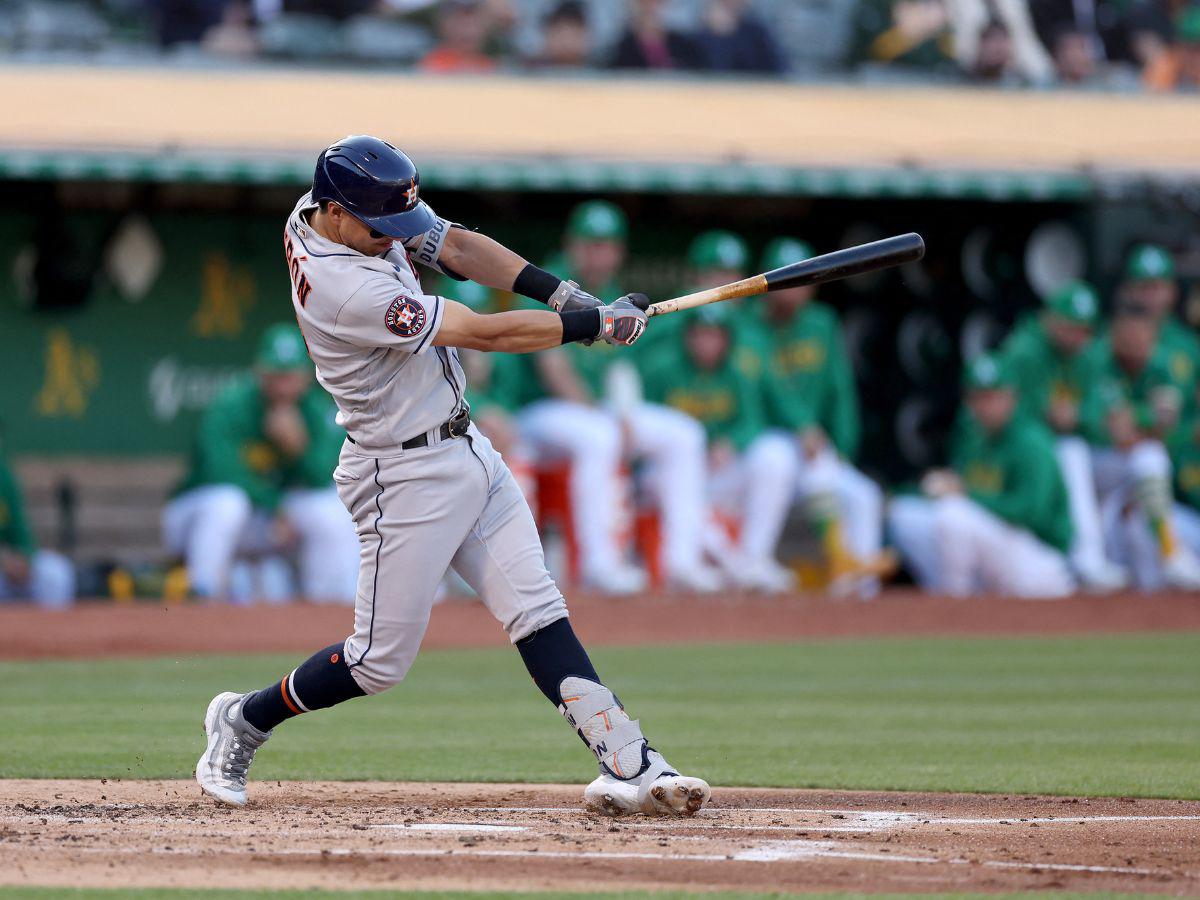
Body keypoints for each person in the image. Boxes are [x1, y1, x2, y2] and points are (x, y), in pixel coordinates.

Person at [196, 135, 710, 819]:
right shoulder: (345, 290)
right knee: (376, 663)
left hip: (466, 445)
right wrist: (590, 324)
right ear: (337, 214)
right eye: (380, 229)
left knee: (538, 611)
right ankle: (244, 719)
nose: (394, 239)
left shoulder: (330, 210)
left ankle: (632, 762)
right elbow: (482, 332)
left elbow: (458, 246)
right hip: (401, 473)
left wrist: (565, 294)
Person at [515, 201, 720, 594]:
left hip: (595, 411)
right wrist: (606, 416)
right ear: (572, 245)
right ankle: (599, 564)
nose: (599, 254)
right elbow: (553, 370)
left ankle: (682, 561)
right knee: (600, 436)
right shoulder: (547, 284)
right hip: (538, 414)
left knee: (684, 435)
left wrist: (623, 412)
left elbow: (620, 369)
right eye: (591, 244)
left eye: (607, 245)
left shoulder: (609, 292)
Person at [163, 324, 359, 604]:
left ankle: (327, 603)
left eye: (290, 375)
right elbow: (220, 471)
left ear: (306, 376)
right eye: (276, 374)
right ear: (259, 372)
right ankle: (204, 595)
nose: (282, 386)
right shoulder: (231, 405)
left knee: (329, 509)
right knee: (227, 504)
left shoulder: (315, 410)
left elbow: (325, 477)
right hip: (196, 519)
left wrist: (298, 449)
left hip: (268, 521)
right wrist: (275, 505)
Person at [744, 238, 893, 597]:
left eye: (801, 281)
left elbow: (840, 391)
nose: (792, 290)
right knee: (778, 459)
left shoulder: (822, 323)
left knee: (864, 496)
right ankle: (754, 561)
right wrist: (802, 427)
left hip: (812, 449)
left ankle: (857, 588)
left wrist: (841, 449)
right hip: (765, 441)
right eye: (785, 281)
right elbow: (771, 385)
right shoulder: (749, 324)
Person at [888, 354, 1076, 598]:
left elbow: (1030, 513)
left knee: (953, 514)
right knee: (903, 514)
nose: (985, 406)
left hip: (1040, 557)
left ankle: (956, 598)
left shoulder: (1031, 442)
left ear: (1011, 397)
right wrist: (907, 493)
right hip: (997, 548)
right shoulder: (973, 438)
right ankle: (947, 590)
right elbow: (960, 491)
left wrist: (966, 494)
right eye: (978, 398)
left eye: (993, 397)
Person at [643, 305, 799, 592]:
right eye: (700, 334)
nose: (707, 343)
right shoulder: (661, 369)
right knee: (681, 494)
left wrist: (731, 443)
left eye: (715, 335)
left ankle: (754, 557)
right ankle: (733, 567)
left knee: (776, 454)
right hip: (663, 476)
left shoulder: (738, 371)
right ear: (687, 336)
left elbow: (752, 422)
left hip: (716, 473)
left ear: (727, 339)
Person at [996, 280, 1127, 590]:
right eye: (1071, 327)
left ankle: (1167, 558)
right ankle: (1087, 560)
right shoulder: (1024, 351)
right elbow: (1009, 418)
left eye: (1084, 329)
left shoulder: (1093, 352)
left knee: (1148, 458)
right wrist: (1051, 418)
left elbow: (1106, 414)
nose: (1078, 336)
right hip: (1042, 458)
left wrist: (1080, 417)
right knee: (1071, 450)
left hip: (1092, 454)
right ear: (1050, 320)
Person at [1082, 300, 1200, 589]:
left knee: (1147, 470)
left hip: (1136, 477)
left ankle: (1166, 564)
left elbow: (1164, 421)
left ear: (1153, 335)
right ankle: (1090, 559)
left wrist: (1135, 418)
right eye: (1128, 334)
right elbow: (1112, 428)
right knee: (1148, 455)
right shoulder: (1097, 360)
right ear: (1114, 334)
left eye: (1141, 334)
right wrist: (1144, 419)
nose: (1134, 342)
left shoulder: (1163, 366)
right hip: (1096, 463)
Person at [0, 435, 74, 608]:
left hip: (7, 566)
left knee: (57, 572)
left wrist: (24, 558)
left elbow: (22, 535)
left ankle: (49, 625)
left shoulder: (5, 478)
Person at [692, 0, 788, 74]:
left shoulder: (756, 31)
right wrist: (718, 36)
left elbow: (776, 68)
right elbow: (713, 70)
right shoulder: (701, 33)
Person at [609, 0, 704, 70]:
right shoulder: (623, 47)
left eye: (657, 2)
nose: (651, 7)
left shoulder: (683, 44)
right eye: (644, 3)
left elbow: (699, 71)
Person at [420, 0, 499, 73]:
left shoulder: (492, 67)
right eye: (460, 22)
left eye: (474, 23)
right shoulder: (429, 68)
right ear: (443, 25)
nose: (468, 30)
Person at [1145, 6, 1200, 91]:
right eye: (1189, 49)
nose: (1193, 58)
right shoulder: (1165, 67)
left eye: (1197, 49)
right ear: (1176, 47)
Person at [528, 0, 592, 69]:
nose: (566, 42)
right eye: (559, 31)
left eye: (573, 34)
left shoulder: (597, 67)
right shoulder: (530, 68)